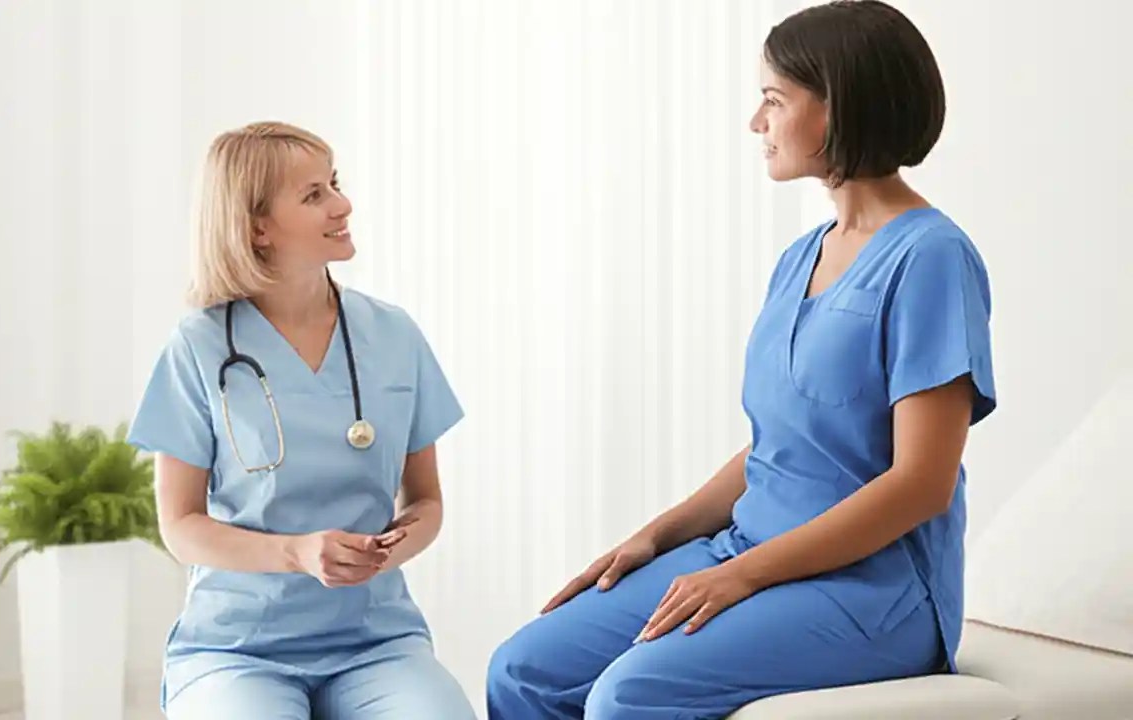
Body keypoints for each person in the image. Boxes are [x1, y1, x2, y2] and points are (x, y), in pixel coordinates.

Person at [486, 2, 997, 718]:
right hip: (747, 548)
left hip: (875, 592)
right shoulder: (801, 258)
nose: (756, 123)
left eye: (773, 100)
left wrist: (745, 577)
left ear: (839, 107)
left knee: (629, 697)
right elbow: (781, 448)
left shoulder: (931, 258)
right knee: (522, 670)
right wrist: (657, 537)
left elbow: (921, 484)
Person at [127, 121, 475, 719]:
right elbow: (180, 525)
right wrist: (296, 554)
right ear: (257, 227)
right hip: (236, 647)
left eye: (334, 184)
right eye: (314, 194)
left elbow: (426, 500)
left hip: (375, 643)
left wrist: (391, 547)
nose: (342, 204)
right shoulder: (199, 346)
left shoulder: (392, 335)